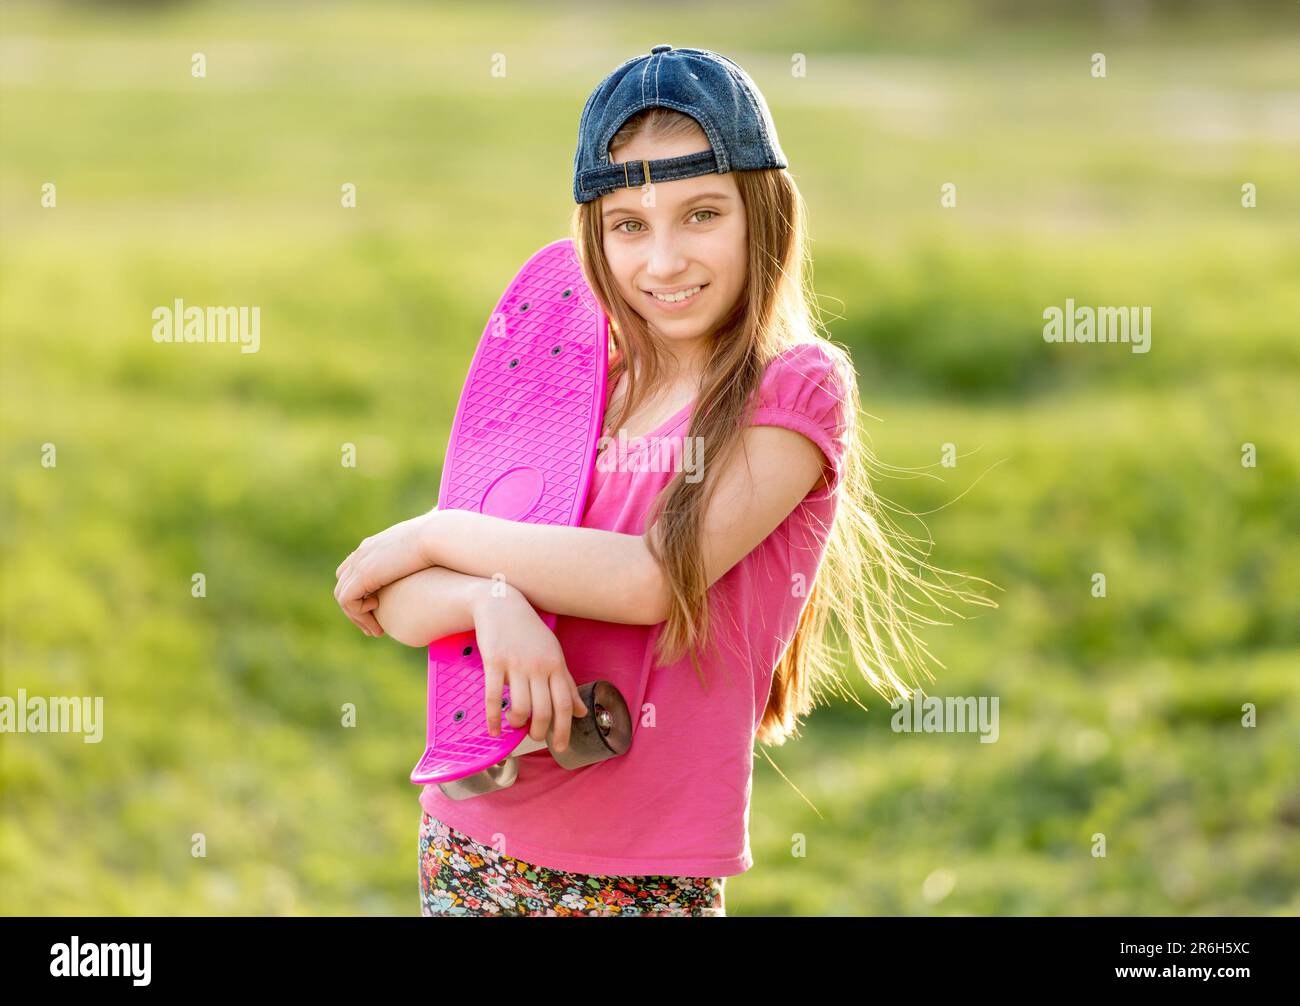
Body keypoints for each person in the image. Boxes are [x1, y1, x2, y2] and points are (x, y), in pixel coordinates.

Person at [334, 44, 989, 917]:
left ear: (766, 216)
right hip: (468, 842)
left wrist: (429, 534)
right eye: (629, 225)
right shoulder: (569, 374)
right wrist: (491, 599)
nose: (665, 260)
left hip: (634, 873)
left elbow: (651, 579)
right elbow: (400, 605)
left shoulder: (792, 389)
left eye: (702, 214)